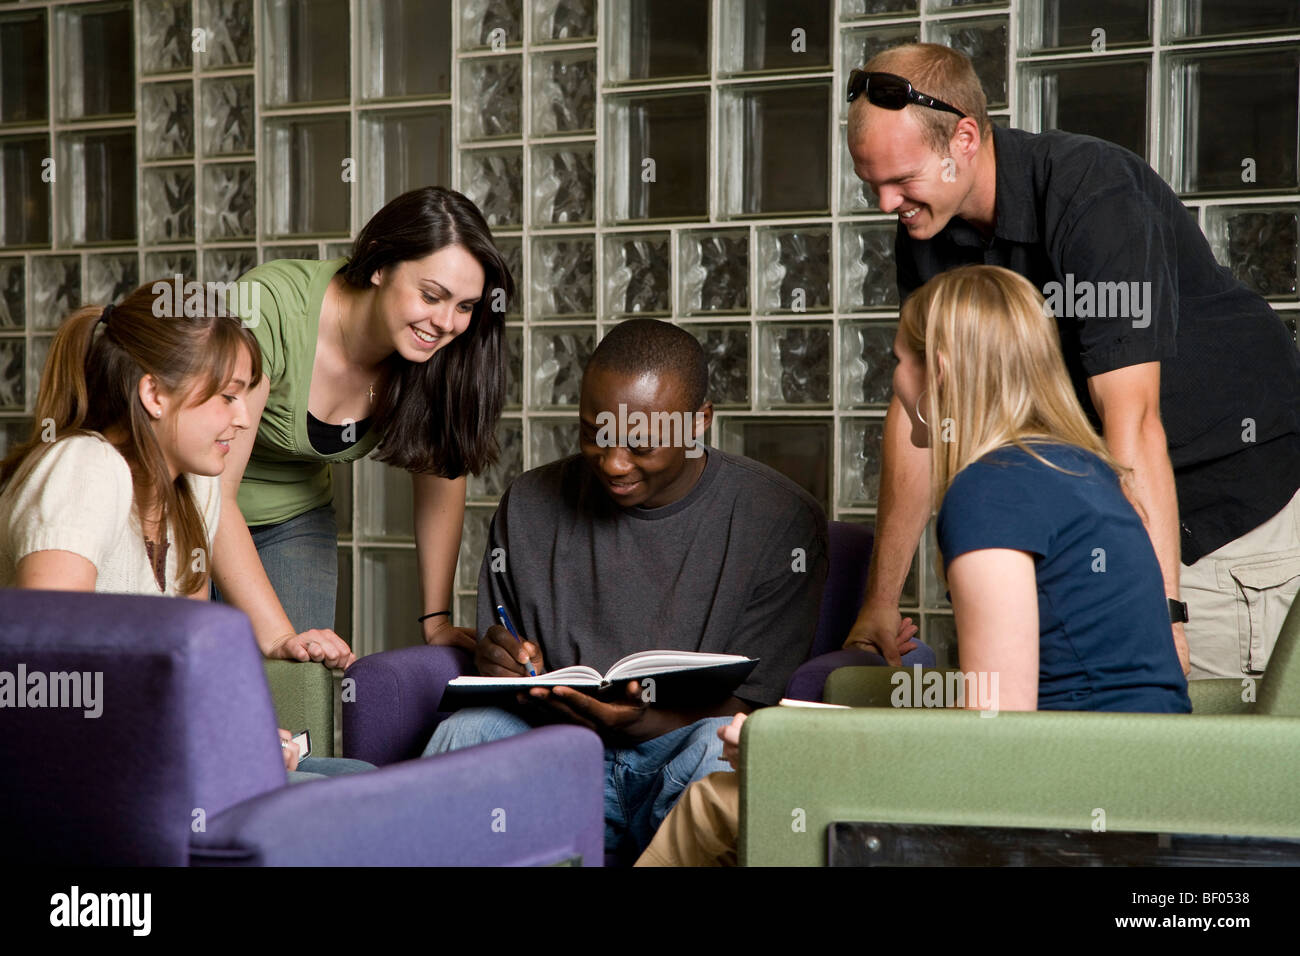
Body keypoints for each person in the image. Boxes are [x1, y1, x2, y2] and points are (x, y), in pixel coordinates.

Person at [637, 266, 1192, 866]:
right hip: (1138, 787)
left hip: (1064, 802)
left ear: (942, 373)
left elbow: (999, 727)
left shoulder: (991, 490)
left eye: (898, 361)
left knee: (711, 804)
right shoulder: (1078, 467)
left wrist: (794, 749)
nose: (895, 383)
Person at [841, 43, 1300, 682]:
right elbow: (920, 407)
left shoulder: (1092, 190)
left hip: (1224, 515)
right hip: (1112, 513)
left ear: (965, 138)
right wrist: (880, 603)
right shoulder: (928, 226)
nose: (887, 203)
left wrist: (1161, 613)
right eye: (874, 184)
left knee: (1182, 751)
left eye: (902, 180)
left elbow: (1134, 424)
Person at [423, 318, 829, 863]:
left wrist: (646, 721)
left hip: (679, 750)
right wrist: (498, 661)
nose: (614, 463)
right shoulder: (529, 504)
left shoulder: (777, 519)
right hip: (559, 746)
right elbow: (508, 654)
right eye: (596, 433)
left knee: (725, 754)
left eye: (641, 444)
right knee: (466, 733)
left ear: (697, 423)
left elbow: (752, 711)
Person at [0, 283, 373, 782]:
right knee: (330, 802)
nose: (244, 420)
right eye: (227, 397)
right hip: (72, 770)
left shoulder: (194, 486)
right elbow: (49, 666)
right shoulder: (84, 466)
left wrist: (237, 732)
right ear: (154, 393)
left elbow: (189, 666)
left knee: (359, 779)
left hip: (146, 754)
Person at [214, 186, 514, 665]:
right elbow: (213, 492)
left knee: (296, 686)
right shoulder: (267, 308)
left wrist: (434, 618)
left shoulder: (436, 355)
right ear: (378, 264)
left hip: (293, 517)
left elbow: (442, 472)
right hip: (192, 501)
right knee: (196, 684)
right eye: (431, 295)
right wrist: (274, 636)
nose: (445, 322)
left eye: (465, 306)